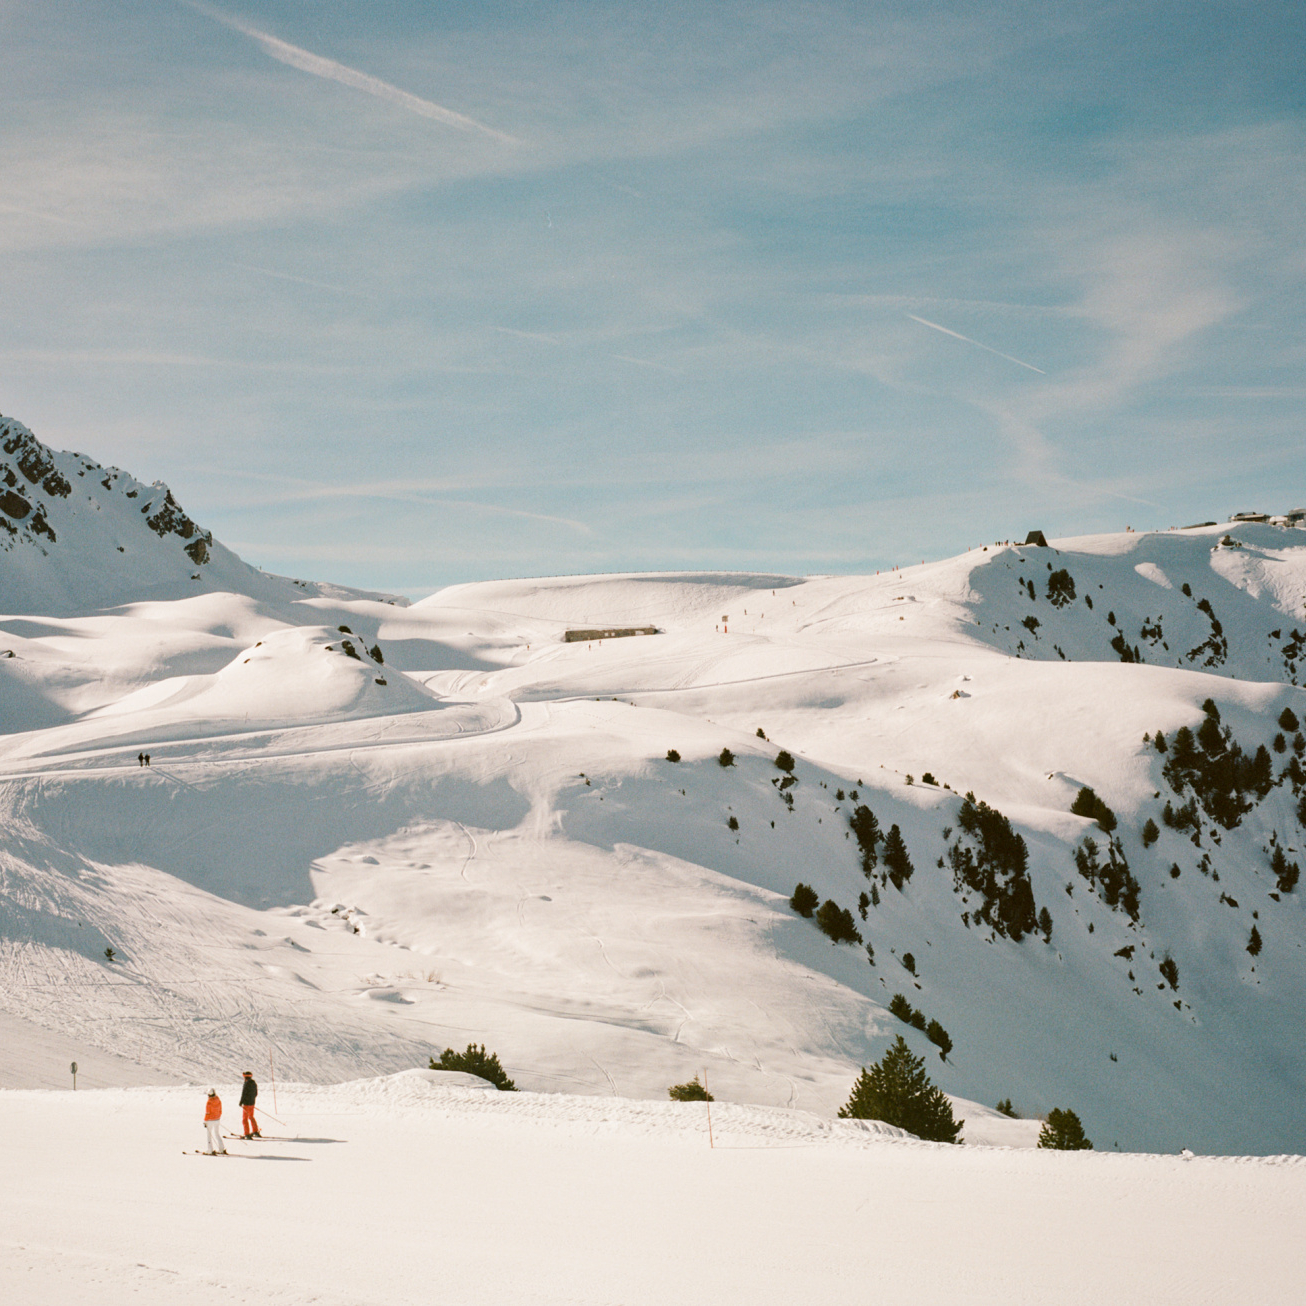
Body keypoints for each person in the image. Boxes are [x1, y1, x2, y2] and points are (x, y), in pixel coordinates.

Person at [203, 1089, 227, 1154]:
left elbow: (207, 1113)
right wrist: (217, 1117)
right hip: (217, 1119)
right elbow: (220, 1110)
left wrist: (205, 1121)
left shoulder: (209, 1102)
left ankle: (210, 1150)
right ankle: (221, 1149)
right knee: (217, 1134)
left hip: (210, 1120)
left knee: (209, 1135)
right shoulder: (218, 1100)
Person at [239, 1070, 261, 1138]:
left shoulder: (246, 1083)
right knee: (251, 1117)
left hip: (246, 1104)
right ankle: (255, 1131)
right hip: (252, 1103)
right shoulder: (254, 1083)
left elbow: (244, 1094)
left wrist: (241, 1102)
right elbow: (256, 1093)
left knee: (244, 1119)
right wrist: (252, 1100)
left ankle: (247, 1134)